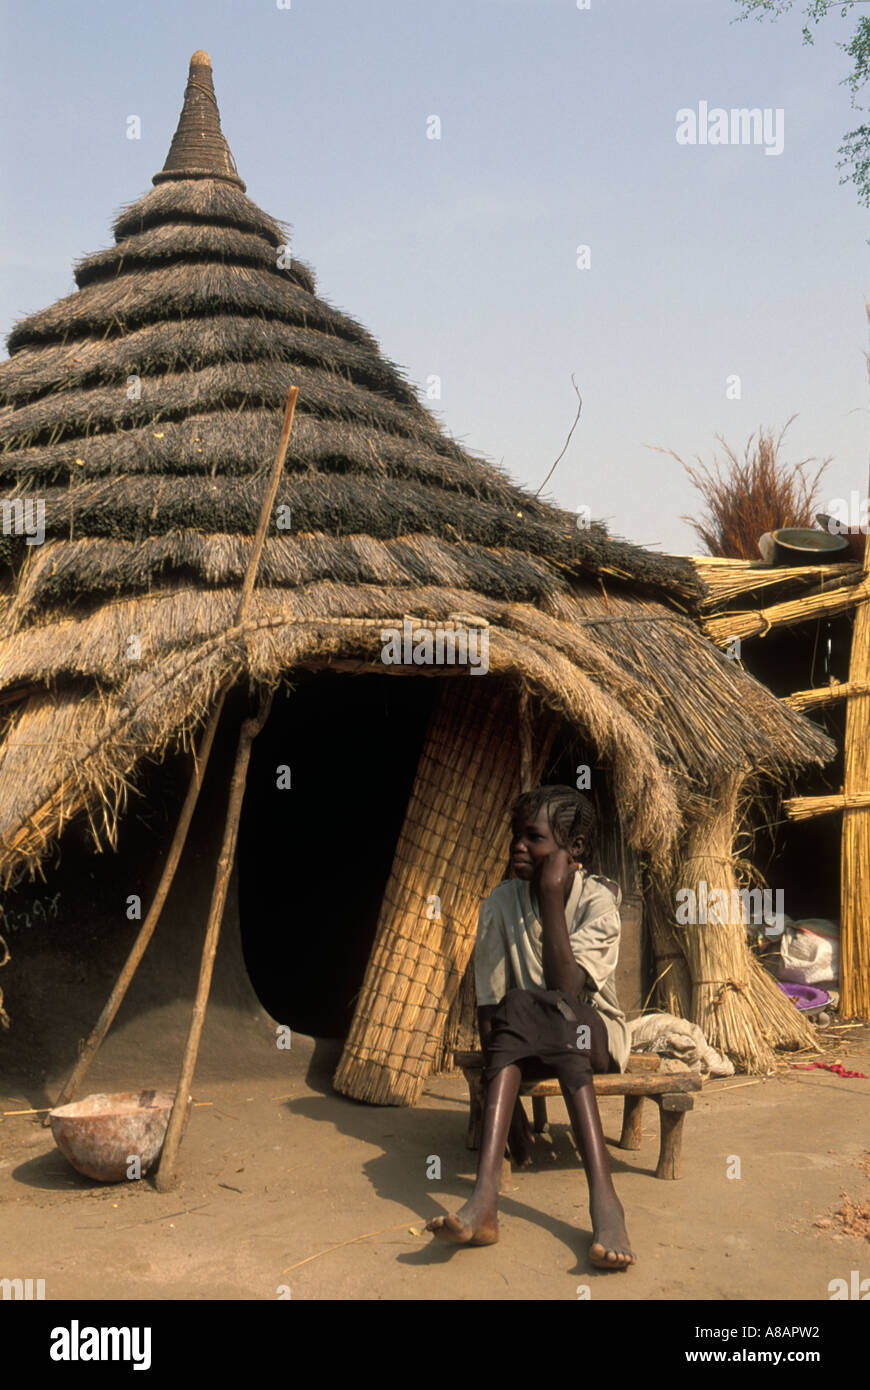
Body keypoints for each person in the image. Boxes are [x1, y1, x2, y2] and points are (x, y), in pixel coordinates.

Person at [425, 784, 636, 1268]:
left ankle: (605, 1202)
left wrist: (550, 894)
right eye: (515, 835)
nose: (518, 846)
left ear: (573, 849)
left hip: (589, 1035)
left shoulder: (598, 903)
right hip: (520, 1039)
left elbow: (568, 990)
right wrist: (507, 1104)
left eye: (534, 837)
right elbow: (488, 1008)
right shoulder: (500, 902)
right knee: (519, 1004)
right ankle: (484, 1203)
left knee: (552, 1010)